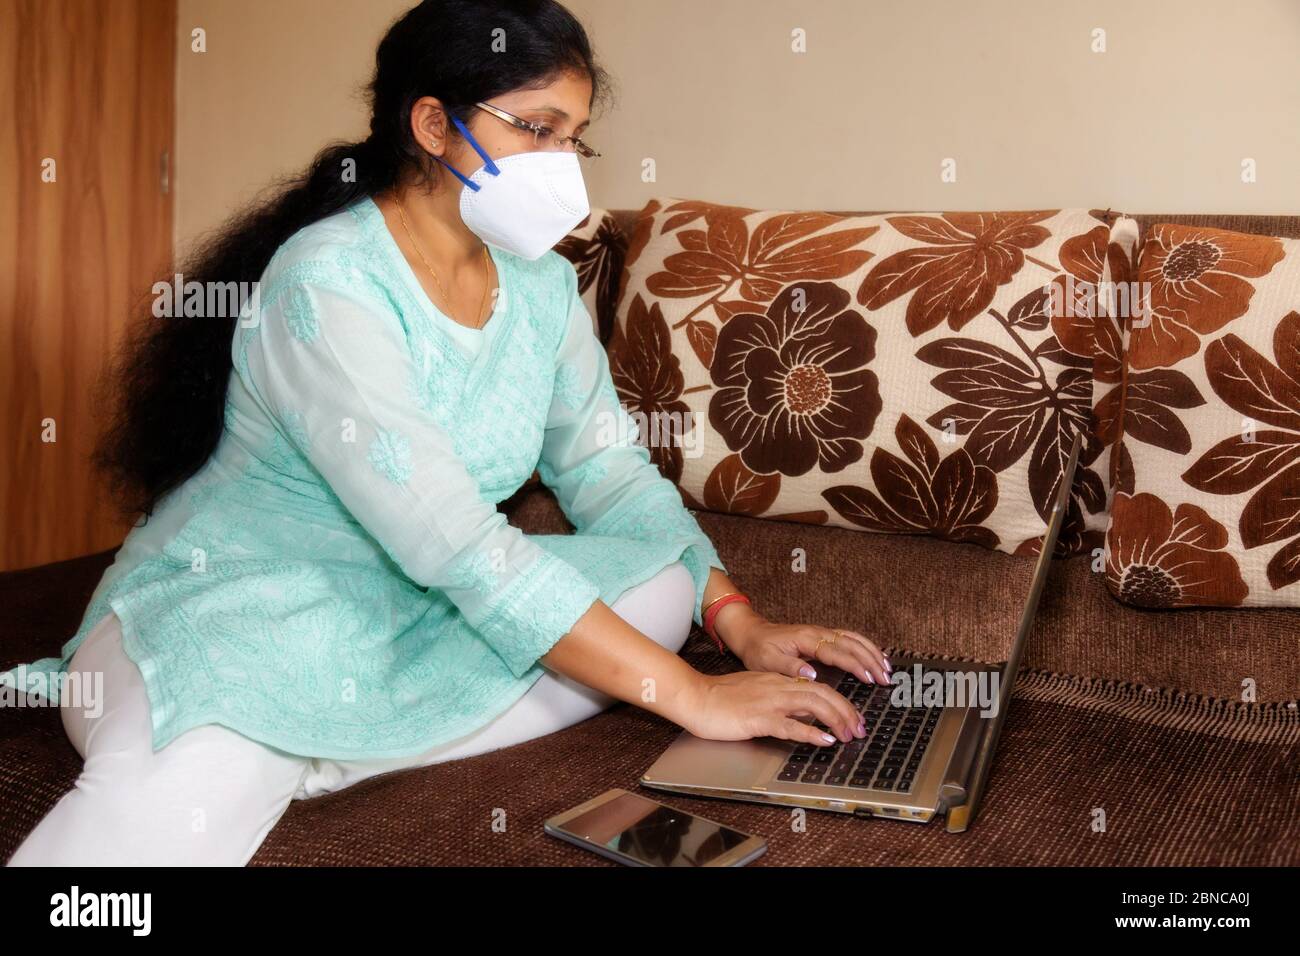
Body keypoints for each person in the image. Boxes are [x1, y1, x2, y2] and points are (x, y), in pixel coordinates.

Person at [4, 0, 889, 866]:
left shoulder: (538, 286)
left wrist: (737, 624)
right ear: (432, 125)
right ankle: (269, 738)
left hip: (408, 610)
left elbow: (607, 470)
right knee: (168, 814)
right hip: (246, 607)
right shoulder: (327, 282)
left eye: (573, 137)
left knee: (660, 590)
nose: (562, 163)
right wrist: (694, 697)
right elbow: (459, 544)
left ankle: (321, 745)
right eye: (536, 129)